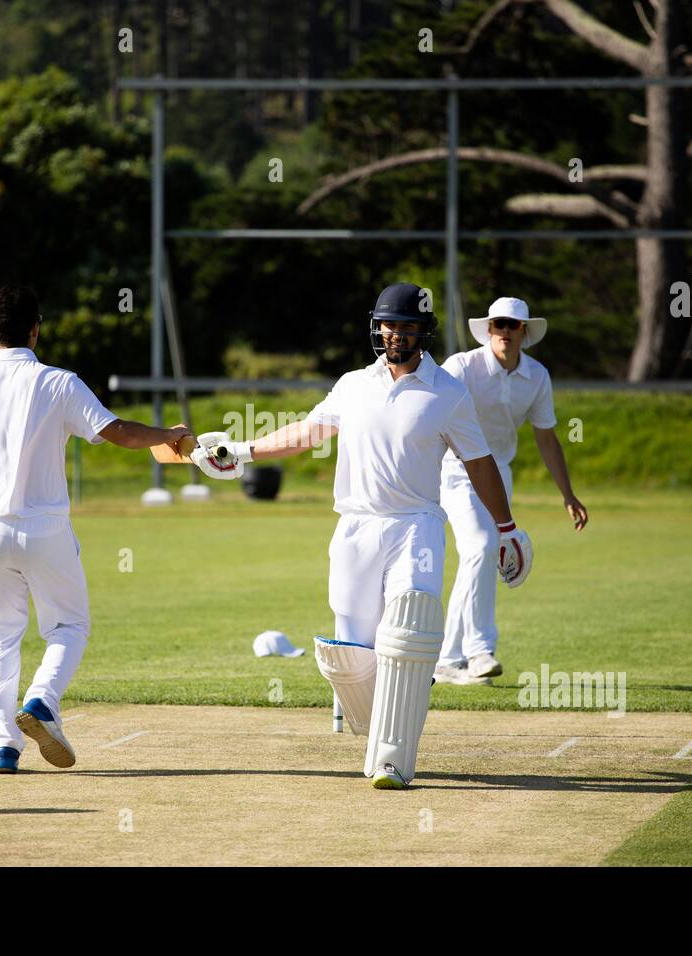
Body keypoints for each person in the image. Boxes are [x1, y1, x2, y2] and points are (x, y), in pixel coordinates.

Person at [190, 283, 532, 789]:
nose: (397, 334)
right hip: (354, 527)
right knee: (350, 654)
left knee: (408, 633)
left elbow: (480, 463)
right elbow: (307, 432)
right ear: (377, 327)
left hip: (416, 524)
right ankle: (377, 729)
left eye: (407, 326)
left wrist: (506, 527)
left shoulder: (448, 393)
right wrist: (241, 451)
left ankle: (393, 760)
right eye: (389, 325)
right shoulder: (353, 385)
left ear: (424, 332)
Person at [0, 285, 192, 774]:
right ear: (36, 327)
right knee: (69, 626)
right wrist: (169, 436)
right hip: (45, 529)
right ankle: (43, 702)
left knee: (0, 638)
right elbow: (116, 432)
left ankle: (3, 747)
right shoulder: (58, 382)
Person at [434, 296, 587, 687]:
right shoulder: (461, 366)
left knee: (479, 556)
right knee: (481, 547)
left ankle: (447, 660)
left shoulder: (537, 377)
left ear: (524, 331)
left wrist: (568, 494)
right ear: (489, 329)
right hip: (455, 470)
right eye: (498, 324)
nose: (504, 331)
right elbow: (430, 413)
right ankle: (480, 651)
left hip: (499, 474)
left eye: (512, 325)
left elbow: (546, 437)